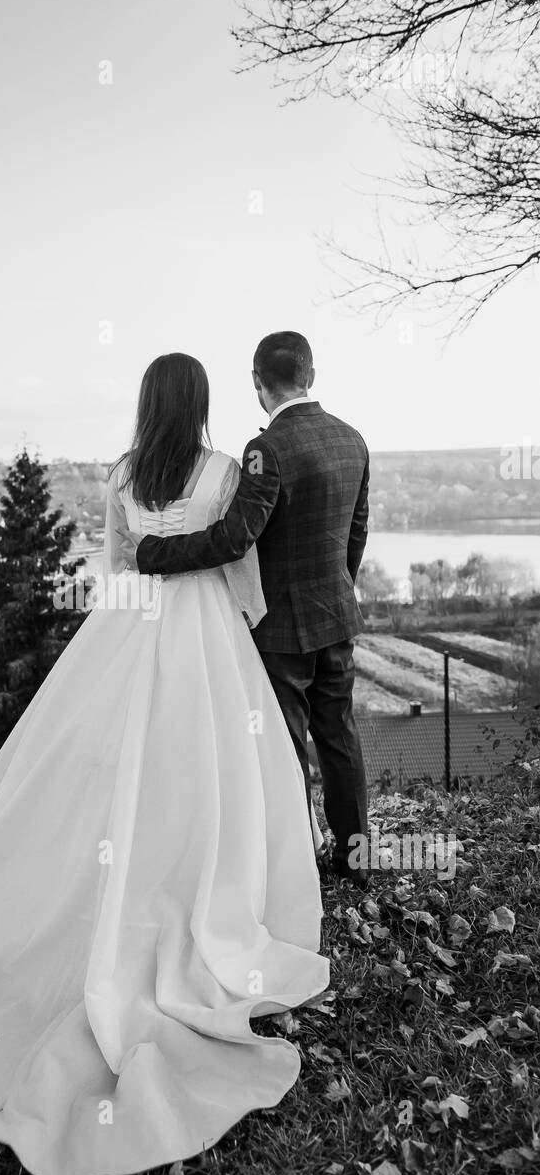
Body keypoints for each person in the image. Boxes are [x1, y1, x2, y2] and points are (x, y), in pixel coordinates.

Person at [0, 351, 329, 1175]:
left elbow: (119, 568)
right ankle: (192, 886)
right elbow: (240, 570)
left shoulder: (123, 473)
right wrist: (248, 623)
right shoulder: (226, 468)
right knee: (207, 768)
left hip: (126, 628)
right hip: (203, 637)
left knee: (96, 768)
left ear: (147, 404)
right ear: (197, 405)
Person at [128, 333, 370, 886]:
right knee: (339, 736)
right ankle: (355, 864)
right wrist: (336, 588)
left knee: (285, 747)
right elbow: (356, 532)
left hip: (281, 627)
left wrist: (155, 553)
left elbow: (235, 539)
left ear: (258, 381)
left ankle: (295, 864)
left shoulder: (267, 450)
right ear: (311, 373)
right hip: (336, 616)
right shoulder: (352, 439)